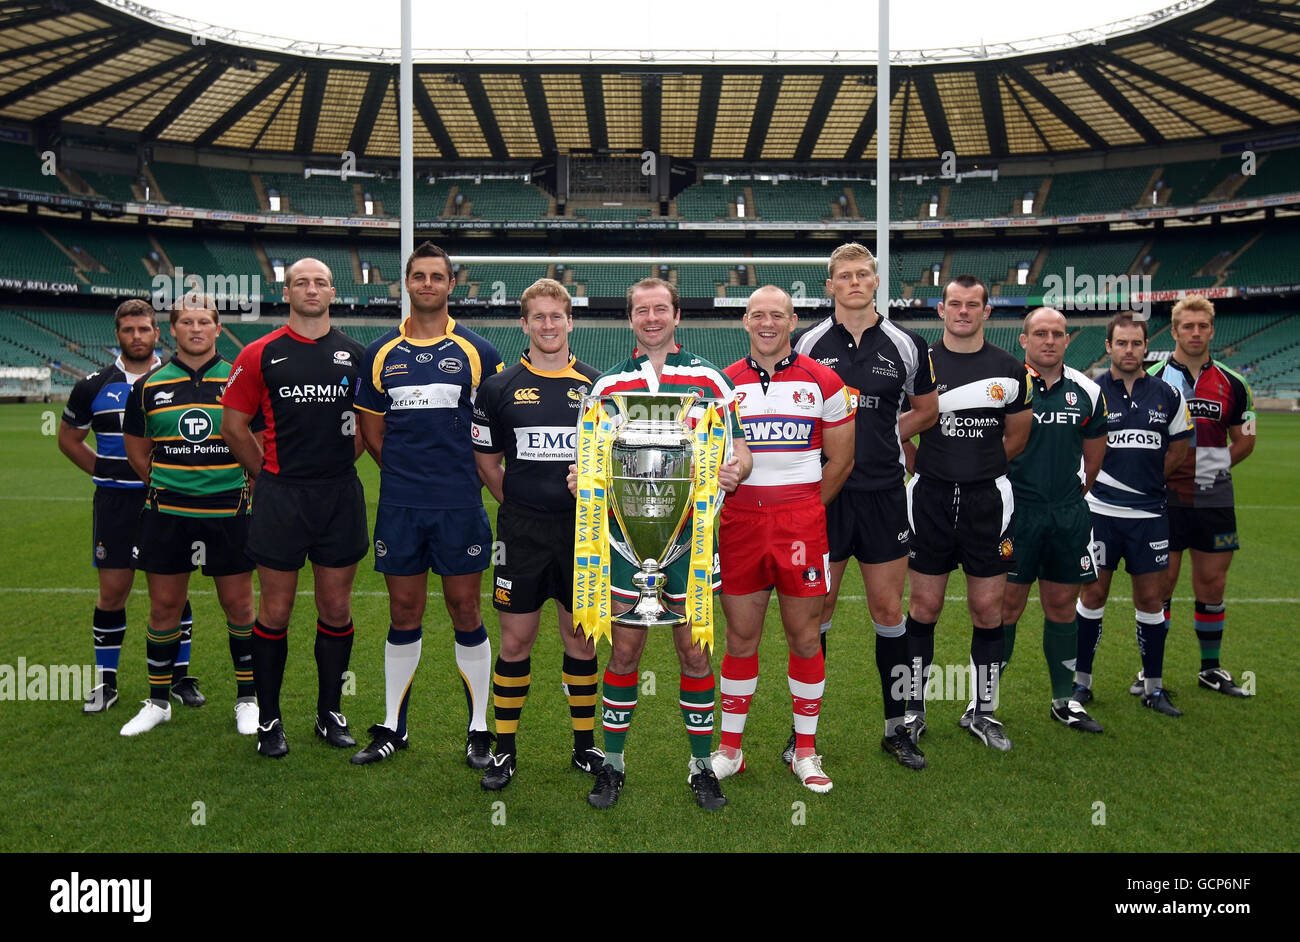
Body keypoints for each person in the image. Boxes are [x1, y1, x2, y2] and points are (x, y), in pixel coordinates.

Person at [571, 277, 752, 811]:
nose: (651, 318)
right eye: (641, 310)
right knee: (624, 650)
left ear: (677, 316)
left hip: (691, 543)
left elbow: (739, 451)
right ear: (630, 319)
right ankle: (614, 765)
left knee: (694, 652)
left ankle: (701, 767)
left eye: (661, 309)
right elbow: (590, 460)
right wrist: (580, 480)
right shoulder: (608, 387)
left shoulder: (709, 381)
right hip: (626, 544)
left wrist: (735, 469)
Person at [350, 243, 502, 770]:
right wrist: (408, 475)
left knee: (466, 609)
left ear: (450, 284)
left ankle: (479, 728)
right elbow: (372, 432)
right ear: (407, 283)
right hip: (401, 503)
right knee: (404, 611)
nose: (428, 284)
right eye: (419, 276)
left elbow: (494, 429)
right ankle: (394, 725)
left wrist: (458, 478)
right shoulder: (379, 352)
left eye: (438, 276)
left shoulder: (479, 350)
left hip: (460, 504)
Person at [793, 242, 937, 771]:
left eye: (863, 274)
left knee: (887, 610)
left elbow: (927, 409)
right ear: (830, 286)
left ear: (876, 282)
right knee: (818, 613)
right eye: (844, 276)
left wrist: (878, 436)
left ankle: (896, 728)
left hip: (882, 495)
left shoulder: (906, 343)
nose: (854, 282)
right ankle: (803, 736)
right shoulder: (806, 344)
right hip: (824, 495)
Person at [221, 258, 368, 758]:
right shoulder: (259, 353)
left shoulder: (357, 355)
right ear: (287, 292)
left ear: (333, 292)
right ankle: (269, 719)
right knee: (276, 609)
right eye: (301, 282)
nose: (311, 288)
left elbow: (368, 430)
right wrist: (268, 475)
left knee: (335, 606)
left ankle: (330, 712)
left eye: (320, 282)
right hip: (281, 498)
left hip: (338, 496)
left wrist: (330, 469)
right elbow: (234, 426)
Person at [712, 285, 854, 793]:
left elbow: (841, 460)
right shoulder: (722, 384)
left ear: (793, 320)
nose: (767, 323)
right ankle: (731, 749)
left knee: (804, 635)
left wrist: (809, 510)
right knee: (741, 636)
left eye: (777, 315)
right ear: (745, 322)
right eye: (757, 315)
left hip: (800, 524)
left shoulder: (824, 380)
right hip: (740, 523)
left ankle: (806, 752)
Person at [470, 278, 604, 790]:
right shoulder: (499, 387)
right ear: (524, 324)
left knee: (581, 640)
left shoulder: (596, 387)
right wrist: (524, 505)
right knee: (516, 640)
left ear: (571, 322)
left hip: (582, 533)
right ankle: (505, 750)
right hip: (520, 534)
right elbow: (487, 462)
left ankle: (584, 746)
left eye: (557, 317)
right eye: (538, 318)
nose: (548, 326)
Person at [902, 275, 1033, 754]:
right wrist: (926, 467)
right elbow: (902, 429)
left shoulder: (1009, 369)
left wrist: (978, 466)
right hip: (930, 498)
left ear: (986, 312)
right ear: (941, 310)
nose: (962, 312)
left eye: (971, 305)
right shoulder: (921, 364)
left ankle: (983, 710)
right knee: (925, 608)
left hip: (988, 502)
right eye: (954, 304)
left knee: (987, 609)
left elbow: (1017, 437)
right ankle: (912, 710)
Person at [119, 296, 259, 736]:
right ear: (172, 330)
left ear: (218, 329)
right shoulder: (148, 386)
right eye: (186, 321)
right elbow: (138, 453)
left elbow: (257, 447)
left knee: (239, 606)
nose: (195, 328)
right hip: (168, 515)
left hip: (229, 512)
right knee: (164, 607)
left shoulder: (241, 379)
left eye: (204, 321)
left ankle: (248, 700)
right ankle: (158, 701)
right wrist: (172, 485)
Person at [58, 299, 201, 713]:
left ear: (158, 333)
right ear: (117, 334)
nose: (136, 337)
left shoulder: (176, 380)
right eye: (128, 330)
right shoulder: (93, 385)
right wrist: (105, 473)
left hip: (167, 500)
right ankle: (106, 683)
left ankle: (180, 678)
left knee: (173, 592)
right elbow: (68, 438)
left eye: (144, 329)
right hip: (116, 504)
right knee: (113, 591)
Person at [1074, 313, 1192, 717]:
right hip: (1100, 513)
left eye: (1136, 343)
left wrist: (1149, 481)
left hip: (1149, 515)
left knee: (1151, 597)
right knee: (1093, 593)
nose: (1129, 350)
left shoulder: (1168, 394)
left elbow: (1180, 447)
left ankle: (1153, 687)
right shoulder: (1090, 392)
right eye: (1121, 343)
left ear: (1146, 347)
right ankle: (1081, 683)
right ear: (1108, 347)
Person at [999, 307, 1108, 733]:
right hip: (1014, 516)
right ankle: (982, 703)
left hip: (1066, 515)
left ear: (1067, 341)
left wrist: (1067, 498)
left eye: (1057, 334)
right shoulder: (1006, 388)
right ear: (1023, 341)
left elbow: (1093, 460)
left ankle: (1065, 700)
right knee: (1005, 607)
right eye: (1039, 333)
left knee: (1062, 605)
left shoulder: (1087, 390)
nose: (1049, 340)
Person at [1147, 296, 1255, 698]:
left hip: (1214, 495)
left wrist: (1209, 470)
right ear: (1173, 331)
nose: (1195, 333)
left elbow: (1246, 439)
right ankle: (1151, 672)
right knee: (1162, 584)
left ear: (1211, 330)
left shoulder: (1235, 383)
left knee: (1212, 583)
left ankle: (1211, 668)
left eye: (1202, 327)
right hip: (1165, 495)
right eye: (1187, 327)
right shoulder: (1152, 377)